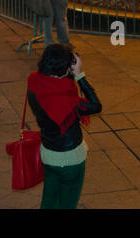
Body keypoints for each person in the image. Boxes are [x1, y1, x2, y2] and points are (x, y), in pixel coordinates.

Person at [26, 43, 101, 209]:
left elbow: (56, 80)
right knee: (67, 203)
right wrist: (79, 75)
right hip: (70, 159)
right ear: (66, 69)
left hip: (48, 152)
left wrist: (67, 70)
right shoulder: (66, 100)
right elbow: (96, 106)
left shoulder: (34, 81)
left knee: (49, 201)